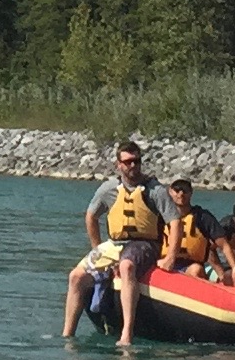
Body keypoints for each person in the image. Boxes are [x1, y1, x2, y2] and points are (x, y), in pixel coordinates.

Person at [63, 140, 173, 347]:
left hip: (144, 244)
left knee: (126, 265)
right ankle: (68, 334)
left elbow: (174, 223)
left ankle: (126, 333)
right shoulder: (108, 189)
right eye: (129, 162)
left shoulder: (155, 190)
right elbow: (91, 216)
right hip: (114, 244)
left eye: (137, 161)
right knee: (76, 276)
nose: (133, 166)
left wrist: (170, 257)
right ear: (119, 165)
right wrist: (96, 247)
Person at [164, 177, 228, 277]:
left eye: (185, 190)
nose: (181, 194)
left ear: (191, 192)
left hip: (190, 266)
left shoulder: (202, 217)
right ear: (170, 191)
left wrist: (232, 272)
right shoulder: (160, 216)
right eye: (177, 190)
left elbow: (223, 245)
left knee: (196, 270)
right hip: (164, 263)